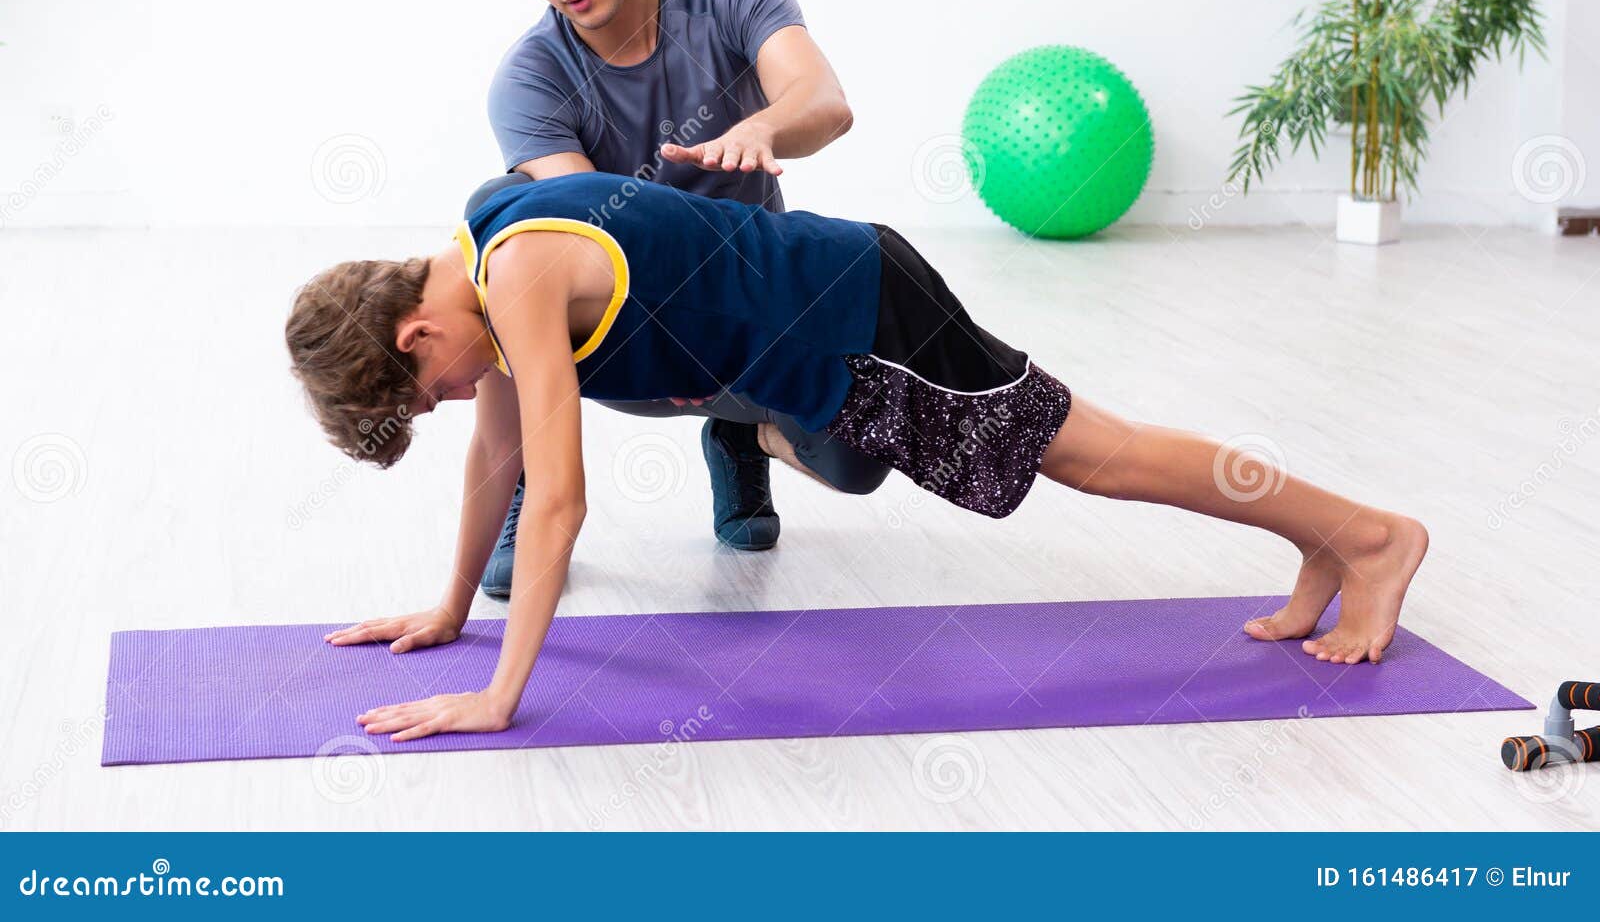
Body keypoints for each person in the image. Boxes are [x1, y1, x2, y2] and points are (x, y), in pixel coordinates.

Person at [284, 173, 1430, 742]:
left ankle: (1370, 536)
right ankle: (1324, 537)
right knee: (1082, 451)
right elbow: (501, 453)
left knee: (1089, 452)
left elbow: (557, 503)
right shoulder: (470, 251)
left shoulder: (514, 276)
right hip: (818, 331)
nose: (446, 400)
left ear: (411, 332)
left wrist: (498, 695)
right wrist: (447, 610)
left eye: (422, 392)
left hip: (856, 312)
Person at [473, 0, 884, 587]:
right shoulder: (530, 80)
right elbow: (595, 232)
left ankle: (741, 435)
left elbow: (825, 105)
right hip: (631, 335)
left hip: (747, 313)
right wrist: (668, 333)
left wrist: (764, 123)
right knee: (501, 223)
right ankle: (525, 485)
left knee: (859, 462)